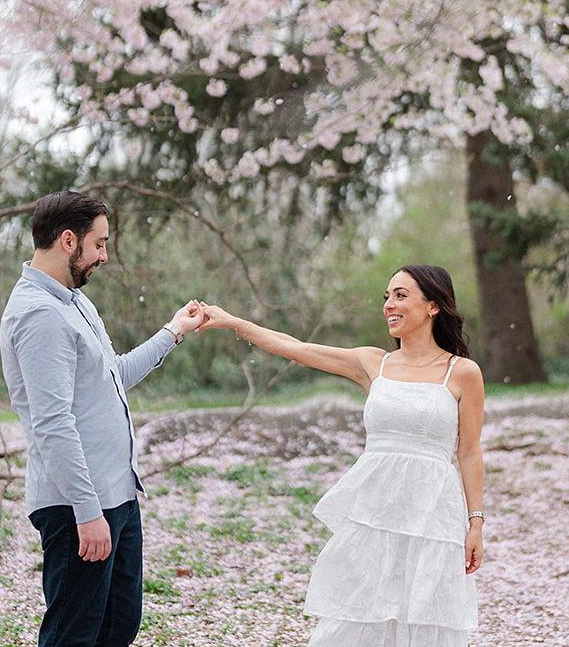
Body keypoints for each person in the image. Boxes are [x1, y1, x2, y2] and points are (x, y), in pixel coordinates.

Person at [198, 264, 484, 646]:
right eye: (387, 296)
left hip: (433, 515)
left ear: (432, 306)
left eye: (400, 295)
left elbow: (468, 451)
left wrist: (475, 522)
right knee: (363, 607)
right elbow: (296, 348)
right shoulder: (373, 363)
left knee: (425, 611)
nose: (388, 305)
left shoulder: (462, 372)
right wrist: (233, 322)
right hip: (375, 510)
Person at [0, 190, 205, 647]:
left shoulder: (74, 303)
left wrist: (172, 332)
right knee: (73, 635)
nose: (105, 256)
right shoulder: (39, 315)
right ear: (68, 241)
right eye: (99, 244)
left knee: (118, 628)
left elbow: (116, 374)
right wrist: (86, 513)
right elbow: (52, 423)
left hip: (117, 496)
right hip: (79, 506)